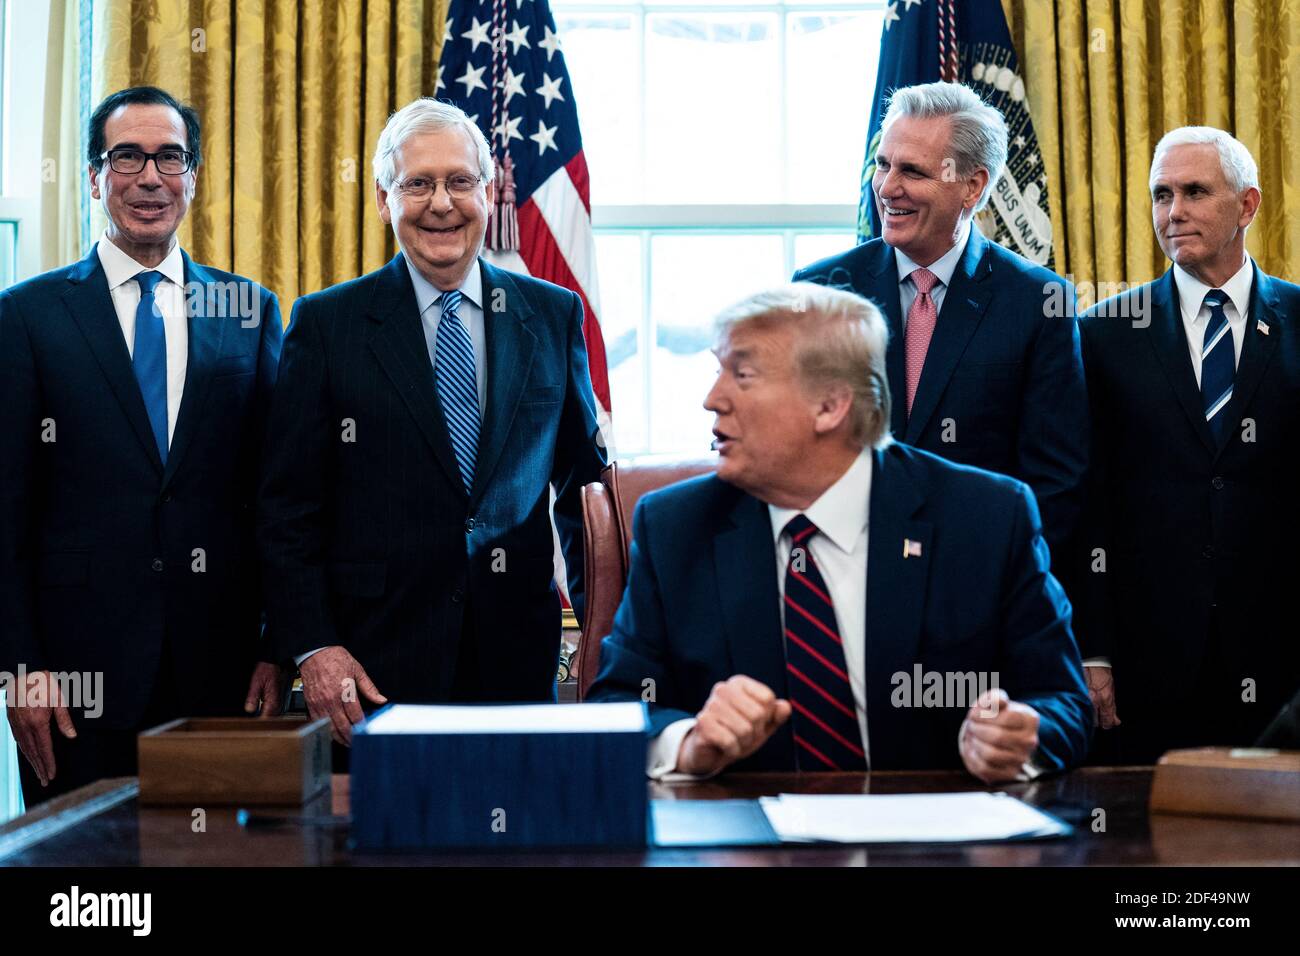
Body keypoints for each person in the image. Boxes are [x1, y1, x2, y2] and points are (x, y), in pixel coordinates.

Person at [587, 284, 1091, 782]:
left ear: (830, 406)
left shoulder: (986, 518)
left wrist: (1022, 736)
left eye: (740, 374)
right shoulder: (675, 528)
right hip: (747, 847)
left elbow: (1063, 701)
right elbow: (618, 705)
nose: (711, 399)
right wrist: (689, 741)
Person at [258, 98, 607, 747]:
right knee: (380, 848)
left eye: (459, 181)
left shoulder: (552, 314)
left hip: (517, 663)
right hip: (373, 671)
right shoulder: (326, 325)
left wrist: (602, 629)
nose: (440, 202)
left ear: (490, 191)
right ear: (386, 200)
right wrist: (314, 645)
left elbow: (584, 493)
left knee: (514, 845)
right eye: (418, 183)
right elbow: (286, 509)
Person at [0, 87, 285, 805]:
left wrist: (277, 646)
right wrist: (19, 667)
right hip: (74, 686)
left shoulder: (248, 310)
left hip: (223, 679)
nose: (150, 178)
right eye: (127, 157)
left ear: (192, 177)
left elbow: (281, 500)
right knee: (87, 888)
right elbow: (5, 513)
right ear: (95, 177)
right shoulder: (27, 317)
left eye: (170, 158)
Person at [1076, 127, 1300, 763]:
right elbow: (1088, 502)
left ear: (1248, 205)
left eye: (1195, 192)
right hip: (1148, 667)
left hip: (1281, 663)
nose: (1174, 213)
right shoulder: (1101, 334)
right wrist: (1094, 651)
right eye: (1161, 194)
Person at [793, 81, 1086, 565]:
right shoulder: (822, 290)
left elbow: (1055, 484)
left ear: (972, 186)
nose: (887, 188)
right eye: (883, 164)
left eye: (912, 171)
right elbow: (794, 443)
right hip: (841, 576)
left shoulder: (1038, 302)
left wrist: (994, 587)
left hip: (975, 584)